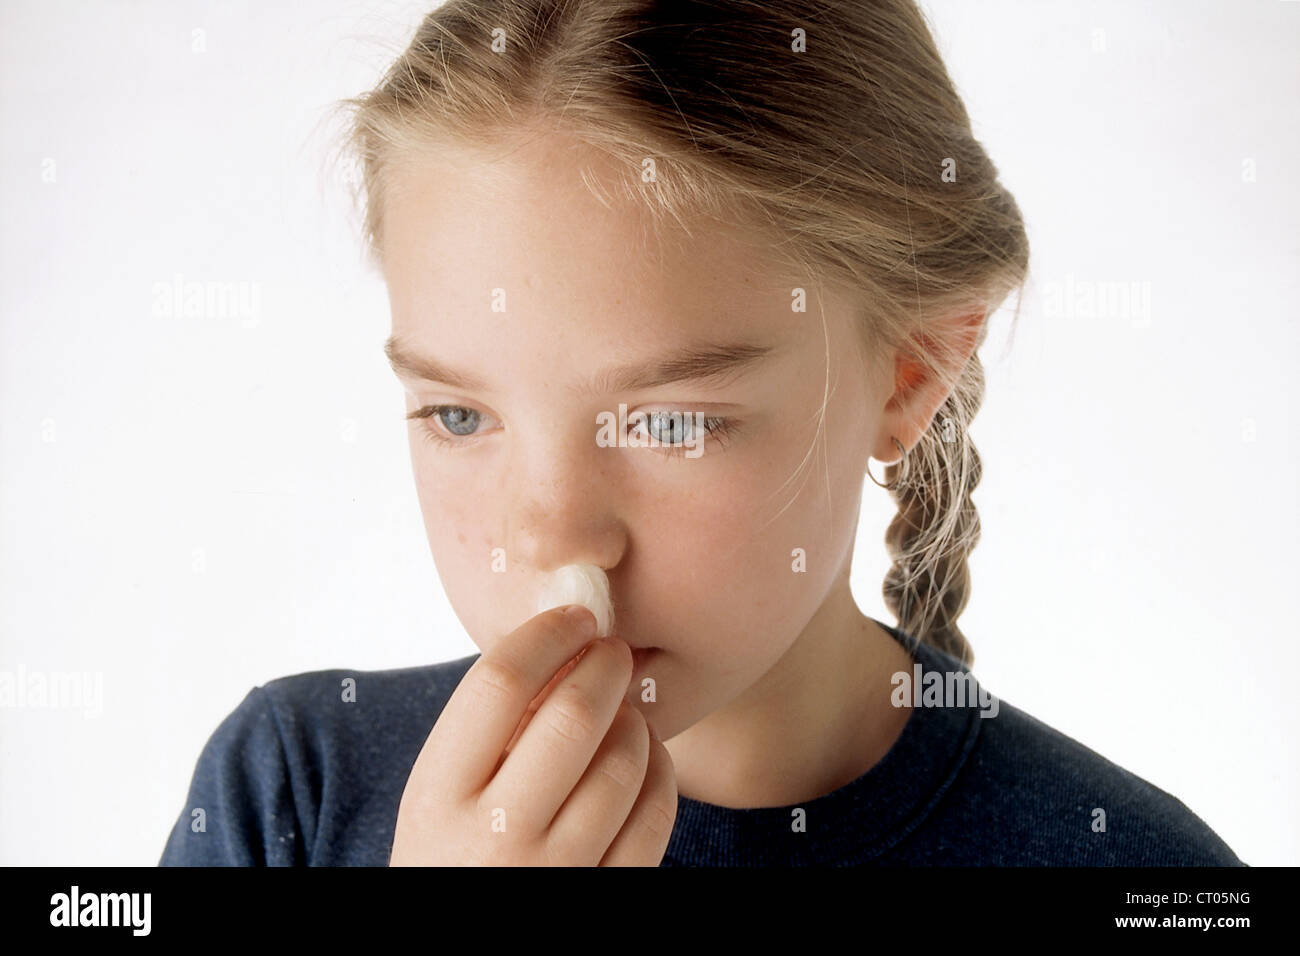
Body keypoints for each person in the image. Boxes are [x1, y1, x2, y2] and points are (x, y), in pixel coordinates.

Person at [160, 0, 1243, 866]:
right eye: (458, 414)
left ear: (908, 370)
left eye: (669, 419)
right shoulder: (291, 794)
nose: (550, 540)